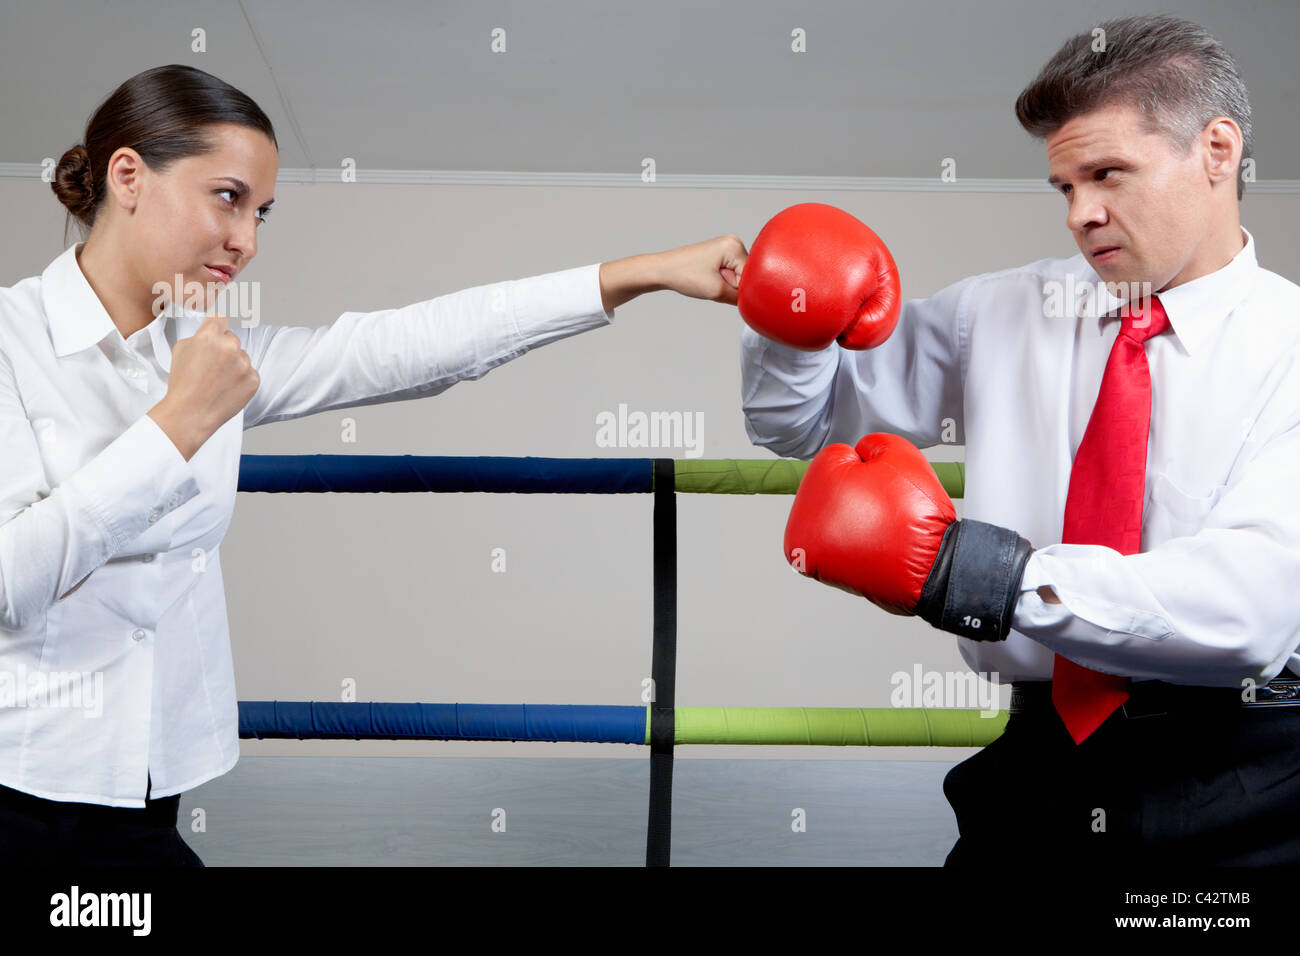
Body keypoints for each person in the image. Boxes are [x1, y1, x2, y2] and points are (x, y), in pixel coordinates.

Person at [0, 63, 746, 866]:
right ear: (128, 176)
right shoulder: (16, 344)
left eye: (262, 213)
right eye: (228, 197)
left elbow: (403, 349)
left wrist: (637, 274)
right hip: (21, 785)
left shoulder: (207, 351)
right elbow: (10, 581)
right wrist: (178, 424)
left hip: (151, 788)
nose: (246, 241)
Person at [739, 14, 1300, 866]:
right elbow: (803, 421)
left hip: (1247, 770)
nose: (1082, 214)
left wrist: (979, 575)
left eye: (1108, 174)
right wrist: (793, 321)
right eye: (1065, 187)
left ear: (1218, 152)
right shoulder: (1001, 312)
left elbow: (1250, 609)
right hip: (1039, 761)